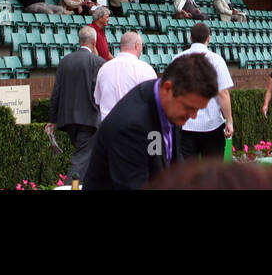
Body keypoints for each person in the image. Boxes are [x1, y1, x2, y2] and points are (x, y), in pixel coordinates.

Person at [84, 53, 219, 190]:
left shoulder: (168, 104)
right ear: (167, 89)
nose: (193, 116)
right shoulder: (131, 126)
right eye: (189, 107)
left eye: (198, 109)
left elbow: (171, 161)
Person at [46, 25, 106, 184]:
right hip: (89, 119)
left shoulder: (65, 61)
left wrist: (52, 120)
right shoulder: (98, 61)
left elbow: (56, 92)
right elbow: (100, 92)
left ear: (79, 41)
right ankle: (69, 186)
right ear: (94, 42)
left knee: (87, 157)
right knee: (81, 158)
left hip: (67, 119)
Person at [175, 23, 234, 158]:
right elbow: (223, 93)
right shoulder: (217, 60)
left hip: (185, 126)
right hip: (212, 125)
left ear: (191, 38)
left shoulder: (178, 59)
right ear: (209, 38)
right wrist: (229, 121)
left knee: (187, 175)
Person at [94, 31, 156, 120]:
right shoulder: (145, 69)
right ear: (137, 46)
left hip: (107, 126)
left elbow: (98, 100)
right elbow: (153, 101)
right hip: (133, 125)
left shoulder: (104, 68)